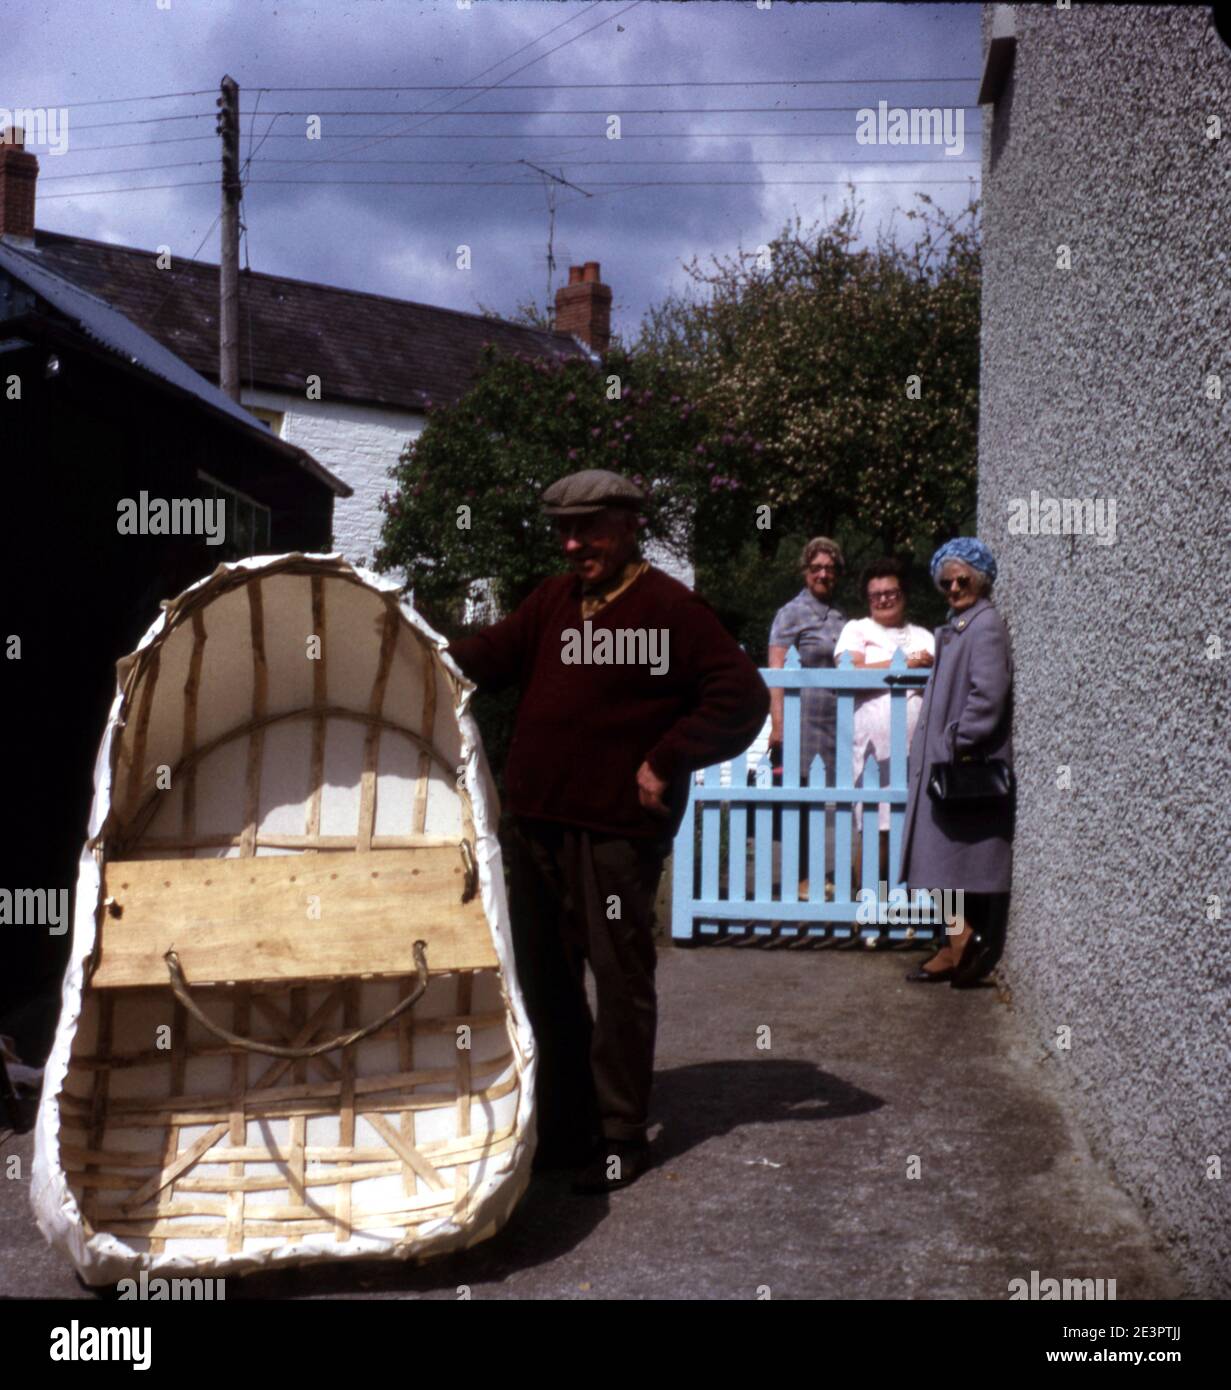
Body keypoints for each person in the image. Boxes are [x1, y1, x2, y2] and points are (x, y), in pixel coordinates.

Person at [447, 469, 769, 1193]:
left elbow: (740, 696)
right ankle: (565, 1126)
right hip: (535, 825)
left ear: (628, 526)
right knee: (545, 981)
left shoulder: (671, 609)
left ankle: (621, 1133)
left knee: (619, 980)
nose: (572, 543)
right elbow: (489, 657)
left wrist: (666, 758)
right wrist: (405, 646)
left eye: (588, 529)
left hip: (614, 832)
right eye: (563, 530)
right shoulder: (555, 600)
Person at [899, 538, 1014, 987]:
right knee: (941, 864)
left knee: (946, 860)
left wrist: (956, 741)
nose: (952, 587)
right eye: (945, 581)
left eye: (962, 578)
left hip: (962, 763)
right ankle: (952, 943)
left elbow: (988, 695)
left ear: (980, 579)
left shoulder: (983, 625)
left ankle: (961, 940)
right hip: (950, 761)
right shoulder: (959, 626)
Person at [834, 558, 935, 882]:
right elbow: (849, 673)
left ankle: (908, 914)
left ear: (903, 594)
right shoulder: (857, 629)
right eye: (875, 593)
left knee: (915, 830)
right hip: (873, 753)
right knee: (874, 829)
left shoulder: (923, 635)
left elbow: (937, 677)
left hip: (917, 751)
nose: (883, 599)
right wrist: (904, 666)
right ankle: (869, 918)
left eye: (890, 592)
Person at [767, 538, 848, 894]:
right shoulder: (790, 613)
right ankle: (800, 878)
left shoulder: (842, 615)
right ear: (805, 571)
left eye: (829, 568)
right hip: (802, 722)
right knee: (799, 801)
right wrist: (779, 724)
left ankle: (829, 873)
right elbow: (777, 673)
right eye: (816, 568)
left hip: (836, 722)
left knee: (829, 800)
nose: (823, 574)